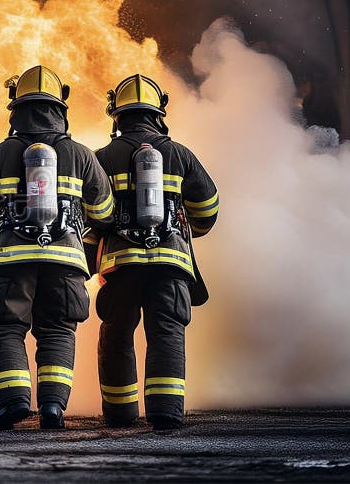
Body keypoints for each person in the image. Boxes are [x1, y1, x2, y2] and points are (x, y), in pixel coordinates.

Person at [0, 66, 115, 430]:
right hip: (66, 259)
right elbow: (105, 212)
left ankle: (13, 401)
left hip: (10, 258)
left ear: (15, 109)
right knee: (58, 329)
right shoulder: (81, 154)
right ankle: (52, 407)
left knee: (5, 326)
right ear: (60, 108)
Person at [88, 74, 219, 431]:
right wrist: (185, 226)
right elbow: (208, 209)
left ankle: (120, 413)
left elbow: (91, 215)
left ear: (117, 115)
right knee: (166, 332)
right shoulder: (180, 154)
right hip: (171, 263)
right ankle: (165, 412)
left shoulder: (101, 158)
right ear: (158, 114)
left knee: (116, 333)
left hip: (121, 266)